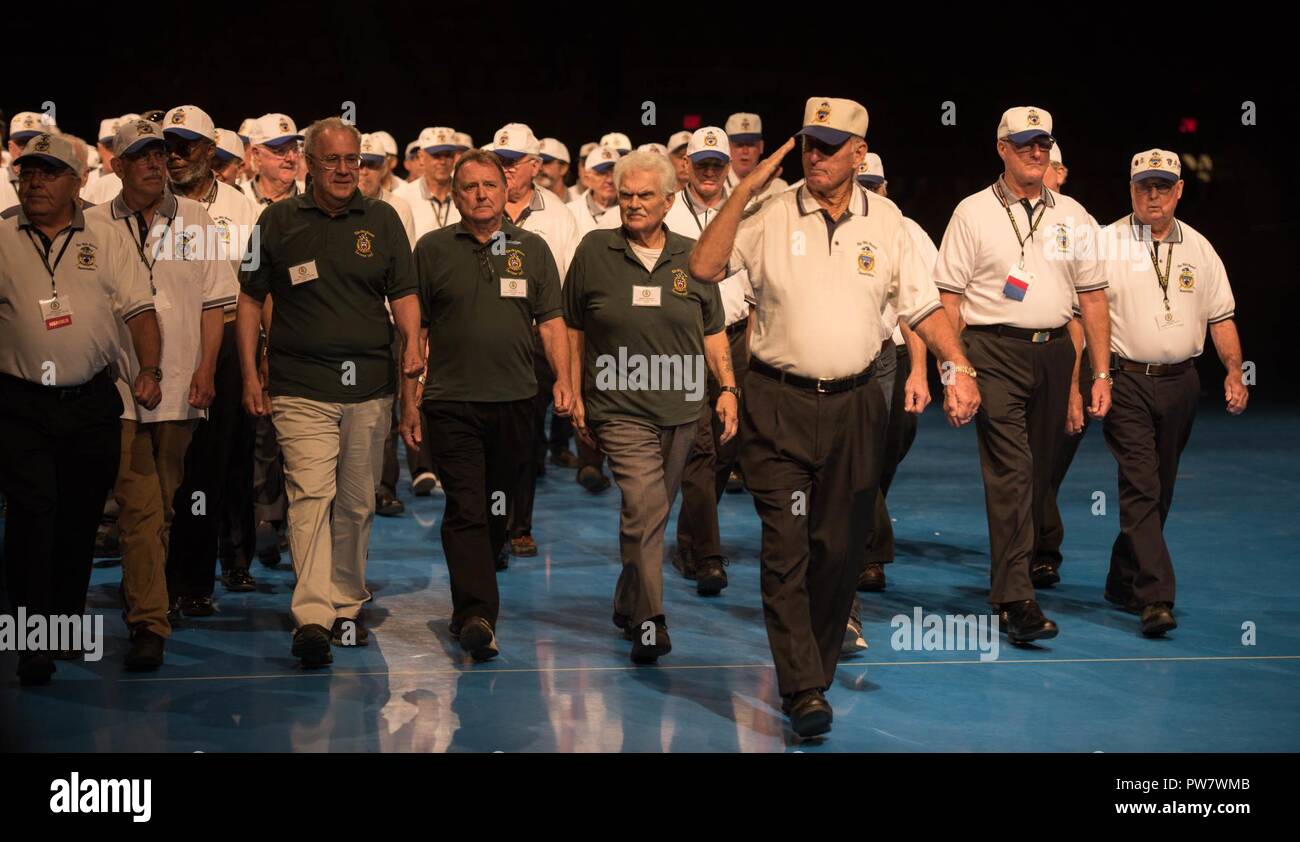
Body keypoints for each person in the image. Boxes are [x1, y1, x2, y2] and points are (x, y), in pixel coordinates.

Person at [690, 97, 979, 738]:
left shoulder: (889, 220)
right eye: (808, 145)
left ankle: (810, 674)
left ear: (859, 152)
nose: (815, 156)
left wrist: (958, 366)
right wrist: (749, 186)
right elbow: (704, 268)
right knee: (786, 548)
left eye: (829, 145)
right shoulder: (767, 211)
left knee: (839, 550)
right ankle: (801, 687)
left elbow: (924, 307)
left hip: (855, 408)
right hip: (778, 402)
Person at [237, 118, 422, 667]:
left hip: (369, 386)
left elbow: (405, 292)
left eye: (353, 160)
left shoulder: (384, 219)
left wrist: (414, 348)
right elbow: (250, 300)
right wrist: (250, 374)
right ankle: (313, 615)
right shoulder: (276, 221)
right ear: (310, 164)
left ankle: (347, 605)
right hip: (300, 386)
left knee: (357, 501)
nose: (345, 170)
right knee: (310, 494)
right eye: (333, 160)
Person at [933, 106, 1112, 643]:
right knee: (1010, 473)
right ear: (1002, 148)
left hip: (1055, 352)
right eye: (1026, 143)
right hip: (993, 350)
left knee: (1038, 478)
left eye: (1044, 143)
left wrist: (1101, 373)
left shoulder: (1074, 216)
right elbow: (947, 298)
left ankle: (1017, 578)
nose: (1037, 152)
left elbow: (1093, 298)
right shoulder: (973, 212)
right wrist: (954, 369)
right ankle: (1015, 597)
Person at [0, 133, 162, 685]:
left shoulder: (108, 237)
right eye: (29, 173)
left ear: (77, 182)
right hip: (19, 402)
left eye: (49, 173)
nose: (36, 182)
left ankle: (64, 625)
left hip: (91, 399)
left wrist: (150, 369)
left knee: (78, 518)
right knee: (32, 515)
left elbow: (141, 311)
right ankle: (31, 639)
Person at [399, 149, 571, 662]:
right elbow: (415, 334)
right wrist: (410, 403)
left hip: (517, 401)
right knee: (467, 506)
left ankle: (475, 590)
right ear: (455, 195)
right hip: (451, 401)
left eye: (490, 186)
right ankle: (477, 614)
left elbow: (552, 321)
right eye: (469, 186)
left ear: (505, 191)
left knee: (498, 507)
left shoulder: (532, 248)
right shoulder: (430, 250)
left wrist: (565, 379)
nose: (481, 195)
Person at [567, 149, 737, 662]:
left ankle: (626, 601)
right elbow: (573, 325)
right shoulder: (595, 250)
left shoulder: (694, 255)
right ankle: (649, 621)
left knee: (651, 516)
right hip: (617, 406)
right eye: (625, 195)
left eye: (644, 196)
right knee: (644, 505)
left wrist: (727, 388)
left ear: (669, 201)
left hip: (683, 410)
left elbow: (713, 331)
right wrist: (572, 390)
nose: (633, 204)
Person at [1099, 149, 1247, 636]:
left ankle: (1123, 578)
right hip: (1127, 380)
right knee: (1140, 485)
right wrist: (1090, 380)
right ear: (1131, 190)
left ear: (1180, 190)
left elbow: (1221, 316)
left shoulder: (1200, 249)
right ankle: (1155, 597)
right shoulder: (1107, 243)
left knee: (1158, 488)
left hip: (1182, 381)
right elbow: (1085, 316)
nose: (1154, 195)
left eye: (1163, 186)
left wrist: (1232, 370)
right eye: (1144, 186)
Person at [160, 105, 263, 611]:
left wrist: (257, 361)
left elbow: (258, 288)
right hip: (158, 346)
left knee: (212, 466)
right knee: (157, 467)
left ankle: (196, 582)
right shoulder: (145, 203)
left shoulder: (243, 207)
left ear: (210, 150)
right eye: (169, 145)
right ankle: (153, 579)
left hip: (221, 344)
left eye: (186, 146)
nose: (175, 156)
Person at [663, 126, 749, 596]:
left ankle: (691, 539)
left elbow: (756, 285)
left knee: (728, 447)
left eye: (718, 164)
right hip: (685, 341)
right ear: (686, 167)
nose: (711, 171)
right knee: (699, 447)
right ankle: (709, 556)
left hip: (736, 339)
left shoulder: (747, 211)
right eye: (703, 164)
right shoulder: (668, 212)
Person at [490, 124, 581, 558]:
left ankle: (518, 525)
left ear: (535, 166)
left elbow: (567, 289)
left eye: (513, 161)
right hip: (483, 338)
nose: (504, 169)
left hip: (533, 339)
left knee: (525, 438)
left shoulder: (560, 215)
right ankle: (485, 522)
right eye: (499, 159)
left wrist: (567, 367)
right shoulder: (473, 205)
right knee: (484, 435)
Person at [394, 126, 461, 240]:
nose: (442, 161)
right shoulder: (401, 197)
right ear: (421, 157)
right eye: (436, 155)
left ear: (455, 157)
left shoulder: (466, 195)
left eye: (448, 155)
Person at [725, 112, 789, 207]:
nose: (745, 151)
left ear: (761, 147)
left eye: (751, 145)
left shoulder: (779, 188)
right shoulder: (717, 186)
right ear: (727, 147)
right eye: (739, 145)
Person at [241, 113, 304, 206]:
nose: (291, 158)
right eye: (280, 151)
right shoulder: (239, 198)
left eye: (295, 149)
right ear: (257, 154)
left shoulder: (313, 197)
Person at [568, 145, 620, 238]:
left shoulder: (631, 210)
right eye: (602, 173)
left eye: (614, 173)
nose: (610, 180)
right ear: (587, 178)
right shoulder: (570, 212)